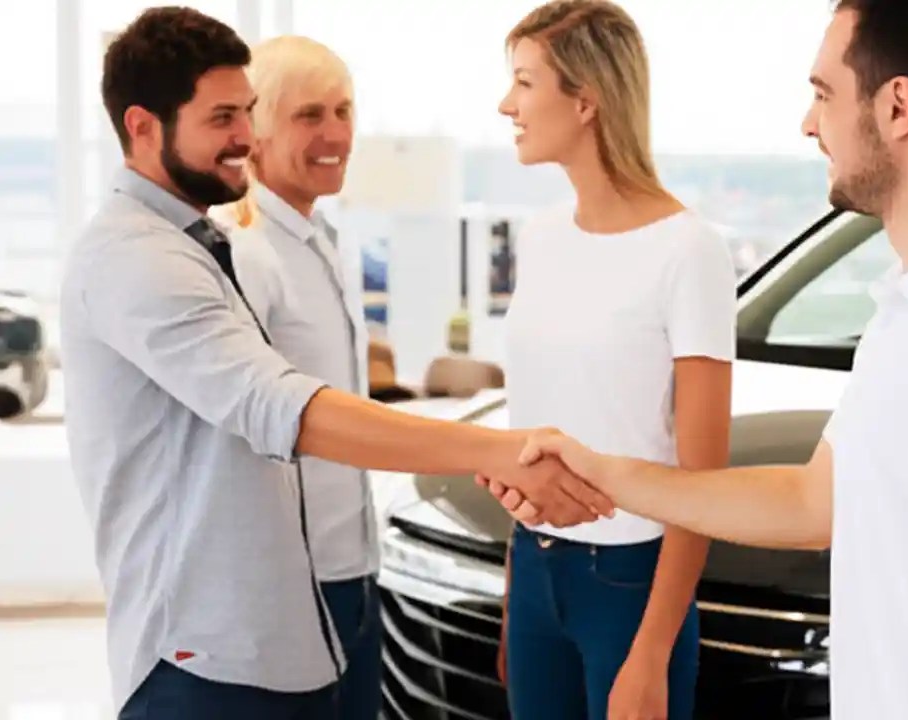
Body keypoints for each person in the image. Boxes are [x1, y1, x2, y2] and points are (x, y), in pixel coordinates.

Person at [486, 1, 908, 718]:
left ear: (899, 105)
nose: (808, 123)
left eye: (823, 94)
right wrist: (600, 471)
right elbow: (812, 502)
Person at [58, 8, 611, 719]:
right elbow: (281, 405)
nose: (245, 139)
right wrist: (501, 452)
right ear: (141, 126)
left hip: (281, 632)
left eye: (249, 113)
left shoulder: (201, 242)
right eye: (224, 117)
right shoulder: (136, 257)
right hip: (198, 653)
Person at [491, 2, 736, 719]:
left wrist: (653, 651)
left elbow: (703, 480)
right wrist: (517, 602)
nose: (508, 104)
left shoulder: (688, 251)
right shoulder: (539, 240)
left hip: (631, 586)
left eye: (525, 83)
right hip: (534, 570)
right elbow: (527, 440)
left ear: (586, 100)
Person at [213, 36, 380, 720]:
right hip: (292, 585)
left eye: (344, 110)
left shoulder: (327, 242)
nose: (336, 133)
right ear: (257, 132)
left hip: (354, 569)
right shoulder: (246, 252)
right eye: (310, 115)